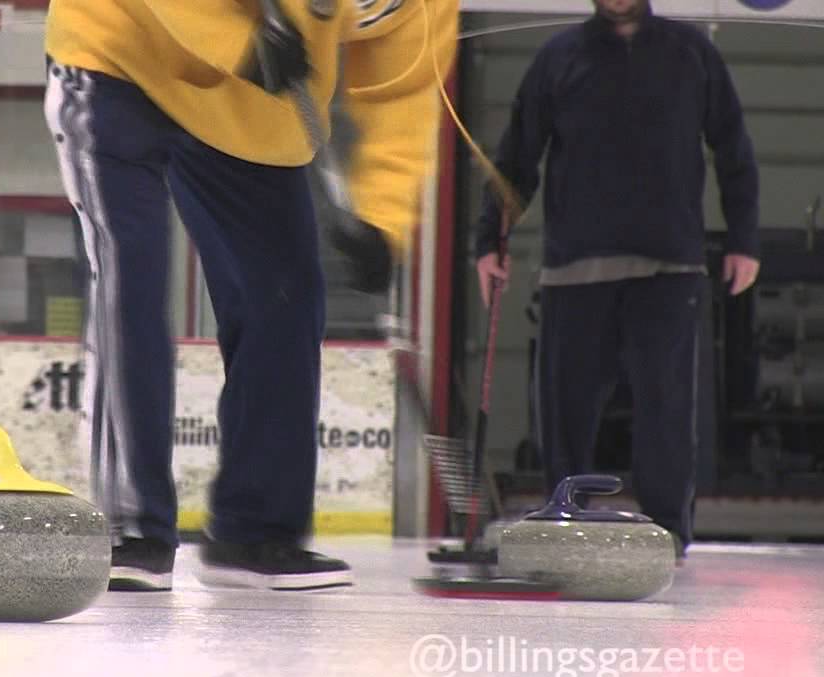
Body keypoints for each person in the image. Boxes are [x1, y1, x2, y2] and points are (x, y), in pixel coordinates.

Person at [44, 0, 460, 590]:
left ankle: (256, 530)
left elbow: (401, 94)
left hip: (256, 111)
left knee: (286, 302)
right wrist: (236, 42)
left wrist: (381, 217)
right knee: (129, 275)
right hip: (122, 53)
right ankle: (133, 526)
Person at [474, 0, 760, 560]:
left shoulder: (691, 53)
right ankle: (564, 522)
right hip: (575, 270)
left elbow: (733, 147)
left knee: (668, 412)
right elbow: (517, 156)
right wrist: (489, 240)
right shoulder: (559, 59)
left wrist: (744, 239)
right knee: (566, 412)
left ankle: (669, 534)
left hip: (668, 269)